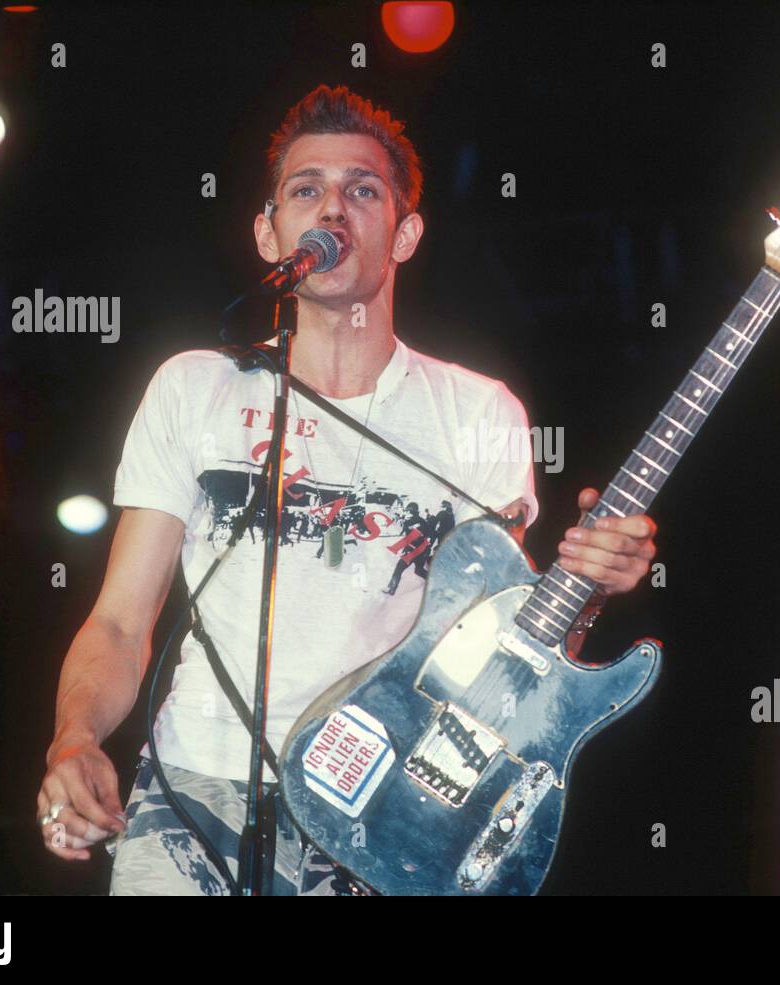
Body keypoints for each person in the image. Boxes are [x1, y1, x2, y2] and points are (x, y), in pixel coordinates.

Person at [35, 84, 658, 895]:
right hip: (198, 784)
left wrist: (591, 586)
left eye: (362, 190)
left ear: (403, 235)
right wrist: (72, 738)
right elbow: (120, 621)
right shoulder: (196, 387)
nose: (332, 207)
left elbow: (516, 663)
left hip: (383, 801)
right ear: (269, 234)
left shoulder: (477, 411)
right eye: (306, 189)